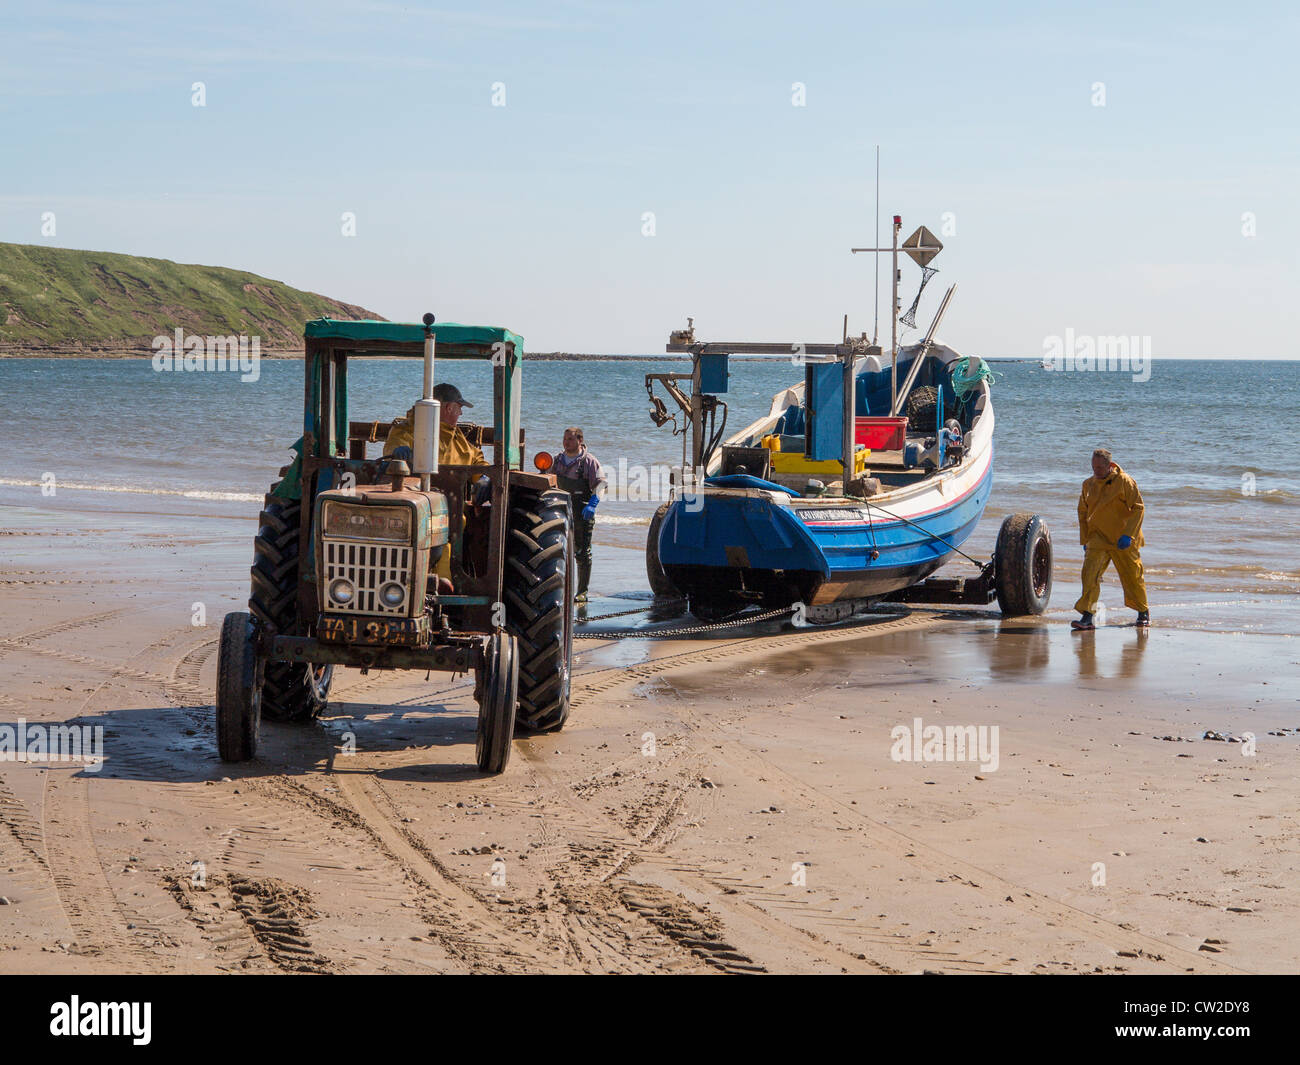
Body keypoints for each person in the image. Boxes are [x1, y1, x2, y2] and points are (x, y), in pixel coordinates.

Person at [1072, 448, 1149, 630]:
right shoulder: (1088, 484)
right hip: (1097, 538)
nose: (1096, 471)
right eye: (1093, 467)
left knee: (1132, 576)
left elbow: (1138, 508)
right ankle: (1087, 616)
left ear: (1109, 466)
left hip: (1123, 538)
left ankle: (1143, 613)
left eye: (1099, 467)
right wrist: (1085, 539)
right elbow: (1082, 512)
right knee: (1089, 576)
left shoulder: (1124, 482)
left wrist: (1129, 534)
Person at [551, 427, 606, 602]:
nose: (566, 442)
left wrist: (593, 504)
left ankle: (582, 592)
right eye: (565, 439)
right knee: (557, 550)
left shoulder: (589, 462)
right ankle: (558, 590)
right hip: (559, 509)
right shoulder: (557, 460)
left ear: (580, 441)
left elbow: (601, 485)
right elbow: (547, 480)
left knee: (582, 553)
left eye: (570, 439)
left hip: (582, 511)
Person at [384, 383, 486, 468]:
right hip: (415, 489)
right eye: (459, 408)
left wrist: (484, 477)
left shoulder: (455, 434)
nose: (461, 413)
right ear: (449, 408)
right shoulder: (406, 430)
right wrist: (397, 453)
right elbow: (393, 448)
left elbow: (475, 457)